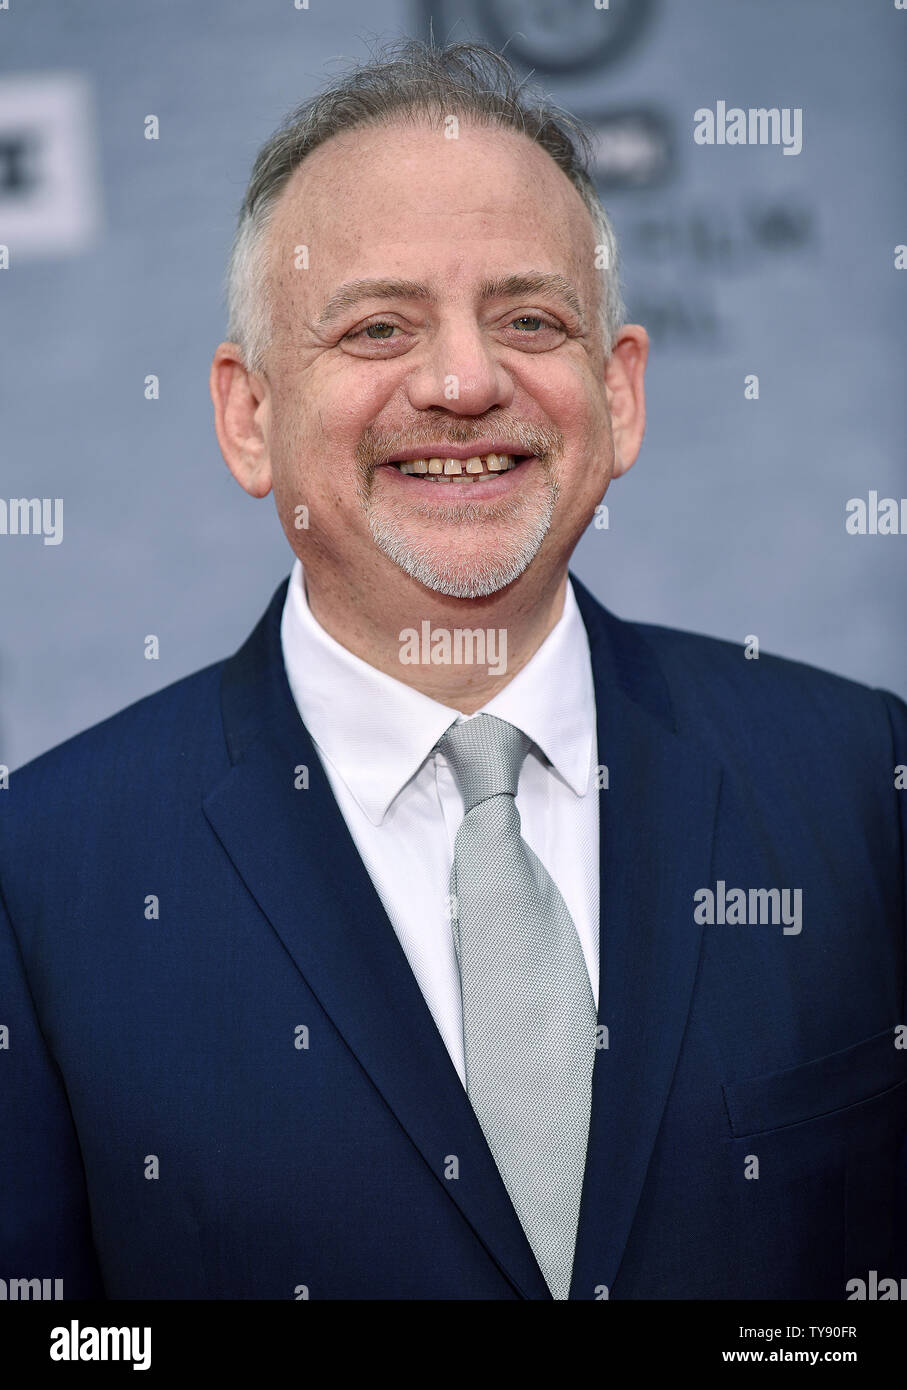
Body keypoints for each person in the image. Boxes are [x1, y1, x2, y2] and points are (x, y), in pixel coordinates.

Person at [2, 39, 905, 1302]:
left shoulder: (861, 782)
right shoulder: (39, 877)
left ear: (619, 392)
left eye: (529, 319)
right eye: (379, 326)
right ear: (247, 417)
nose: (465, 381)